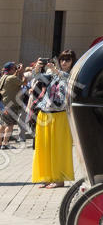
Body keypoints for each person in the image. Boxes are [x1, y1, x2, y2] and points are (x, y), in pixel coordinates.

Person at [30, 52, 74, 187]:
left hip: (60, 115)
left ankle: (59, 179)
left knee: (59, 148)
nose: (64, 63)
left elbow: (67, 79)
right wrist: (37, 67)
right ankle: (47, 177)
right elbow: (36, 77)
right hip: (45, 113)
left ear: (73, 61)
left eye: (67, 60)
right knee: (43, 147)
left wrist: (55, 70)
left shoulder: (73, 73)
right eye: (62, 60)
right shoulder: (52, 75)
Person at [0, 62, 23, 149]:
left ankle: (0, 143)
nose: (16, 69)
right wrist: (21, 72)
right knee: (10, 125)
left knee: (2, 125)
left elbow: (13, 81)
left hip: (2, 104)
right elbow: (24, 83)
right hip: (10, 105)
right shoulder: (12, 78)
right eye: (14, 68)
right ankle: (5, 144)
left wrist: (16, 72)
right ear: (11, 69)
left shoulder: (3, 77)